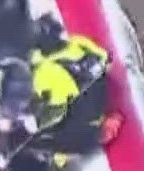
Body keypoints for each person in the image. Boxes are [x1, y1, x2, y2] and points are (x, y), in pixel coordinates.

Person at [25, 17, 111, 157]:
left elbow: (58, 105)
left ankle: (95, 136)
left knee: (40, 139)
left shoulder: (44, 70)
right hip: (95, 91)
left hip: (84, 106)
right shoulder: (78, 41)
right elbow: (105, 57)